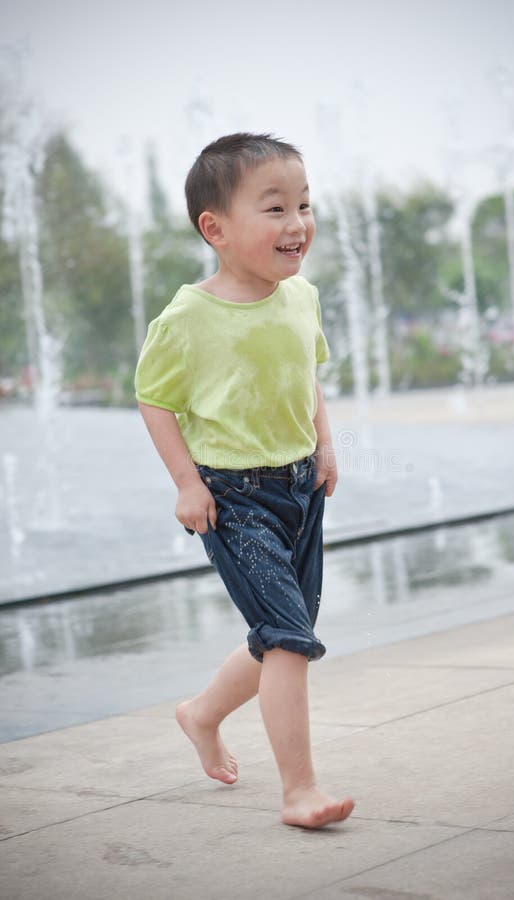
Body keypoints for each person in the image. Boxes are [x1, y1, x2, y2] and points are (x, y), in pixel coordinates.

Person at [134, 133, 354, 829]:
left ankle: (200, 714)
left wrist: (323, 442)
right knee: (289, 639)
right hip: (233, 498)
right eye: (275, 208)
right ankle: (299, 791)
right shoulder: (189, 317)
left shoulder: (300, 298)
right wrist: (185, 483)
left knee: (282, 632)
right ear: (216, 229)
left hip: (298, 489)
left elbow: (304, 376)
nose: (297, 224)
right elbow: (153, 399)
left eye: (304, 205)